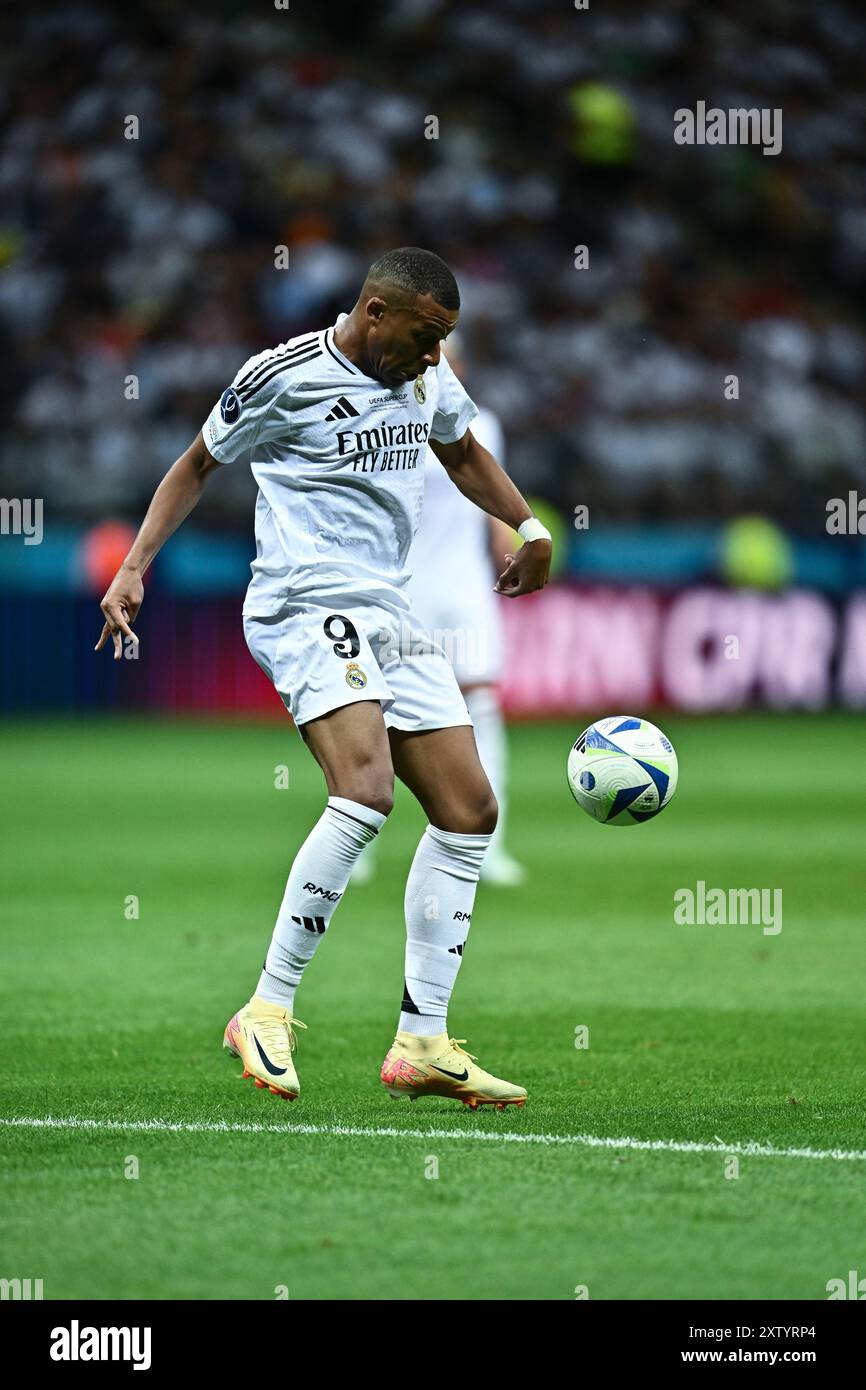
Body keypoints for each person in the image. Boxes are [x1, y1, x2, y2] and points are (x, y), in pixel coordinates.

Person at [96, 247, 552, 1110]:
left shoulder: (425, 372)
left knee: (469, 811)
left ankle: (422, 1039)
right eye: (423, 337)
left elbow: (458, 453)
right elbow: (196, 464)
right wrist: (134, 566)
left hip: (392, 607)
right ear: (375, 311)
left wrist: (526, 524)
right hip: (304, 601)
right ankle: (265, 1007)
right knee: (366, 791)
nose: (432, 356)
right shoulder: (281, 376)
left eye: (443, 341)